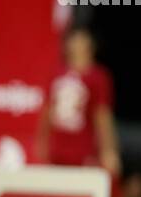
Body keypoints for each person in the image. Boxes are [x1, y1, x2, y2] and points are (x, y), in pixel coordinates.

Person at [36, 26, 120, 175]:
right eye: (74, 39)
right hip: (58, 148)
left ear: (91, 45)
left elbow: (102, 114)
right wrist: (43, 142)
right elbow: (48, 110)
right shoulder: (56, 74)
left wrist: (108, 150)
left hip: (84, 149)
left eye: (82, 39)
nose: (77, 44)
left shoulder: (98, 76)